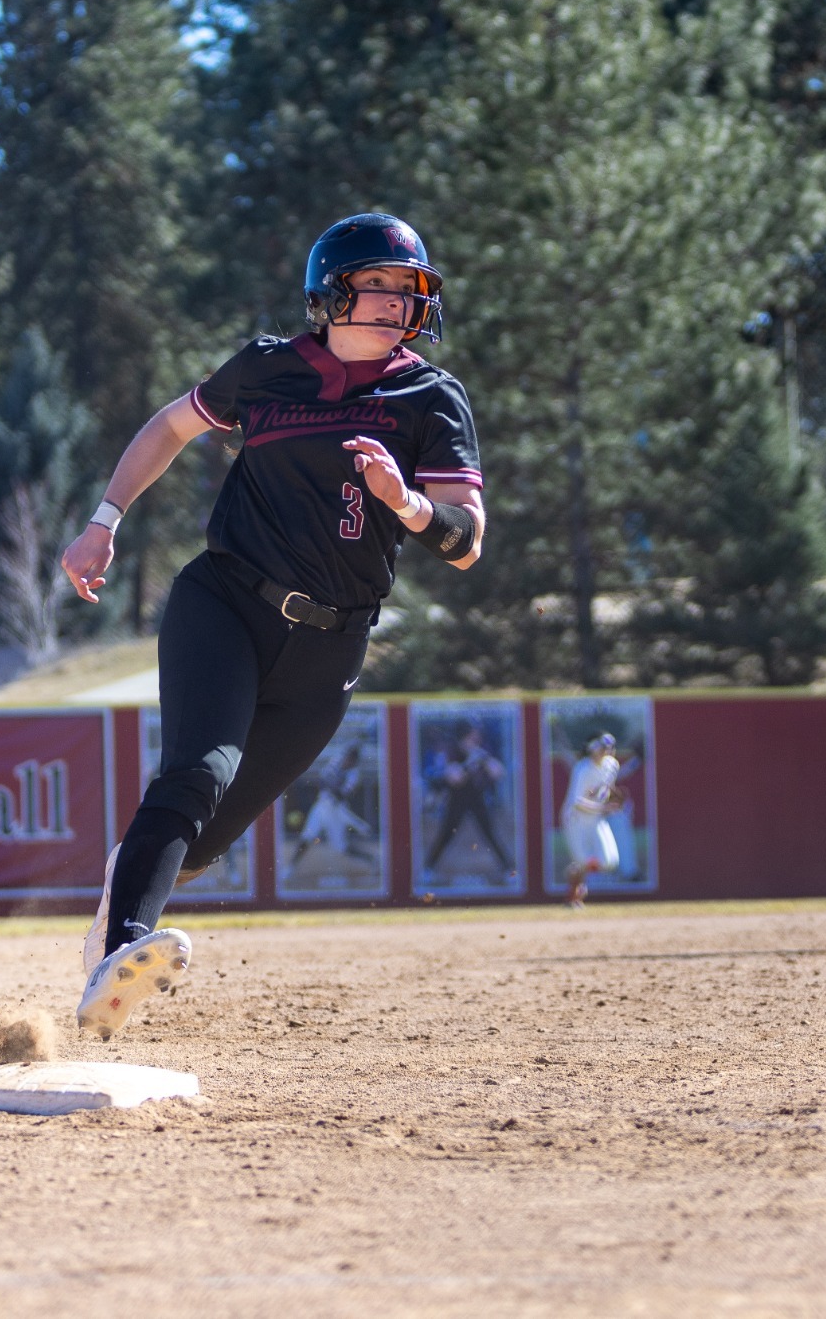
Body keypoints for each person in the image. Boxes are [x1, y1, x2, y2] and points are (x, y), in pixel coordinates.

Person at [58, 213, 487, 1039]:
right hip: (225, 601)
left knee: (206, 841)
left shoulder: (432, 396)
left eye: (411, 290)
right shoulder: (266, 367)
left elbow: (467, 544)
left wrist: (408, 503)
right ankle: (122, 951)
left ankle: (121, 905)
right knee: (197, 775)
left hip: (331, 649)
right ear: (332, 292)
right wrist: (104, 519)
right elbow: (171, 427)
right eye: (381, 286)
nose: (399, 303)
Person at [424, 722, 514, 878]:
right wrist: (468, 763)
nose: (476, 739)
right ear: (463, 737)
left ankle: (508, 869)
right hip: (457, 800)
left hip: (476, 798)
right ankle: (429, 868)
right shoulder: (452, 751)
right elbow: (455, 778)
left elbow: (499, 772)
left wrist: (483, 759)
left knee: (489, 834)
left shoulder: (481, 752)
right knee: (446, 835)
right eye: (472, 736)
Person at [560, 732, 622, 909]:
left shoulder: (612, 765)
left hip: (595, 818)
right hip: (576, 819)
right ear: (593, 748)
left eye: (610, 748)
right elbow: (577, 802)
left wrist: (610, 799)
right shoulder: (583, 768)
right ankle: (573, 894)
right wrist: (605, 807)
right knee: (582, 860)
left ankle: (577, 881)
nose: (607, 752)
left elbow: (604, 788)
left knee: (609, 861)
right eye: (603, 747)